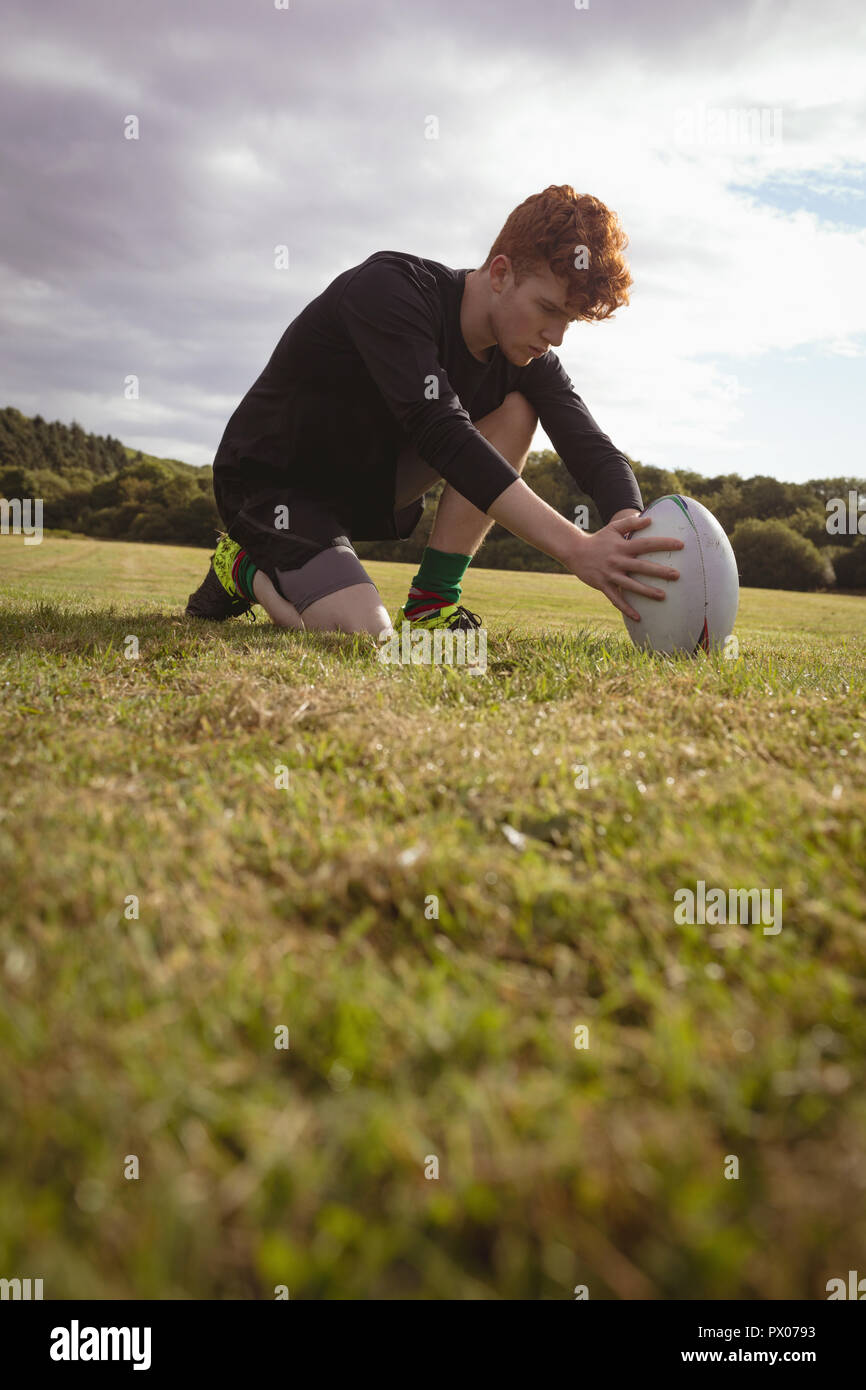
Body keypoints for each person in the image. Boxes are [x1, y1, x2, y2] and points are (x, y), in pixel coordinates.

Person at [185, 184, 683, 637]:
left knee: (516, 409)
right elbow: (441, 430)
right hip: (273, 485)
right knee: (362, 636)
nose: (555, 336)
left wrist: (627, 528)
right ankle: (244, 567)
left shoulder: (526, 355)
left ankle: (431, 603)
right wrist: (577, 548)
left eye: (569, 321)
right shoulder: (391, 289)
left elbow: (592, 449)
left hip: (367, 488)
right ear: (501, 273)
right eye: (549, 309)